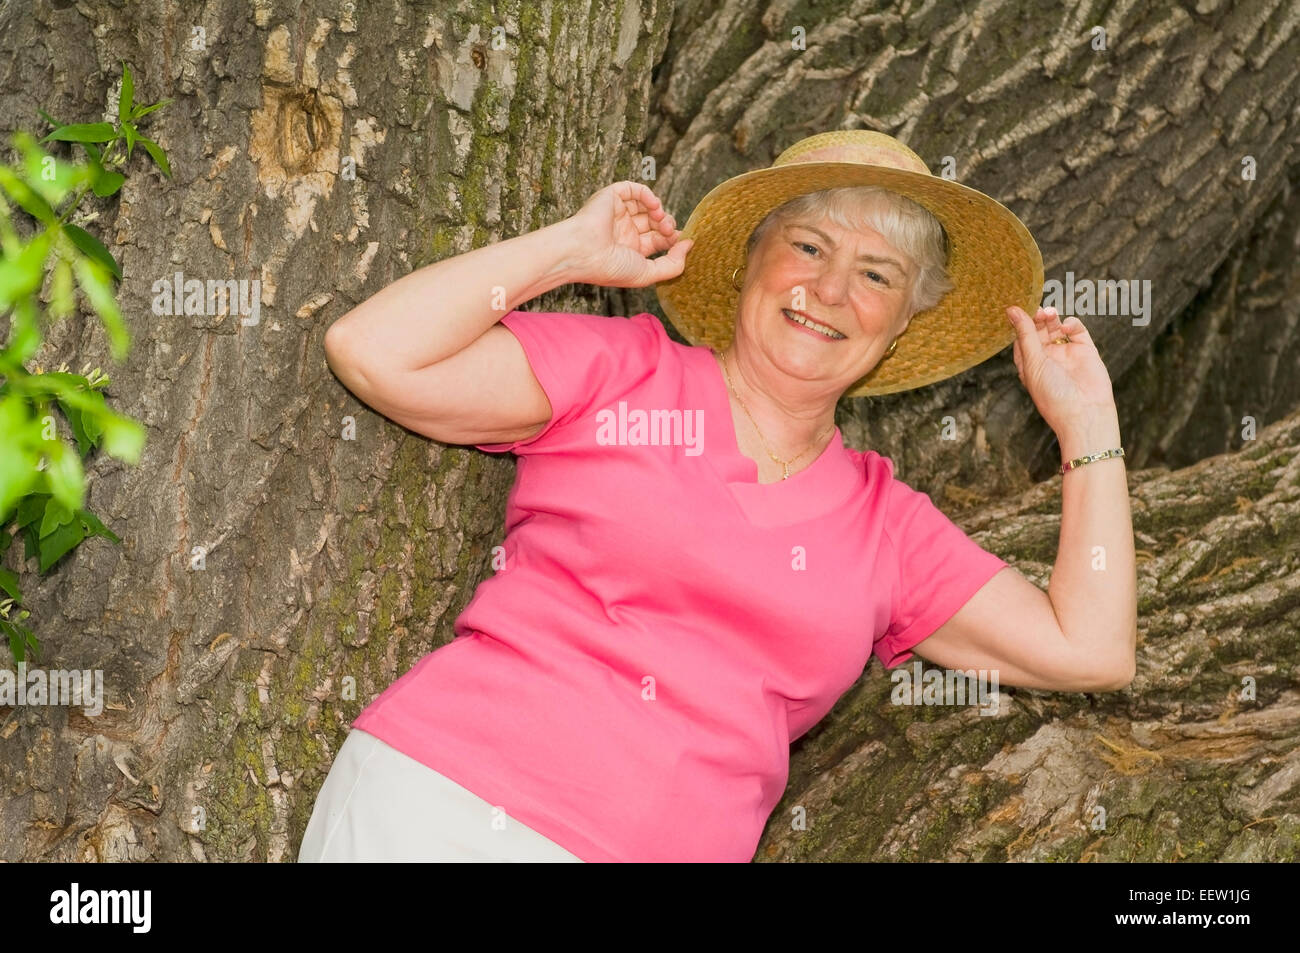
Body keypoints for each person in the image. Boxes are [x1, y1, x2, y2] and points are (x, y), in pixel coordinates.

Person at [299, 130, 1137, 863]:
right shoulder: (626, 373)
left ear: (903, 326)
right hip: (446, 810)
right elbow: (373, 350)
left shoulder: (887, 525)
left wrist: (1087, 425)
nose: (832, 289)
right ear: (749, 264)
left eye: (876, 273)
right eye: (809, 247)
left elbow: (1091, 647)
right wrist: (567, 252)